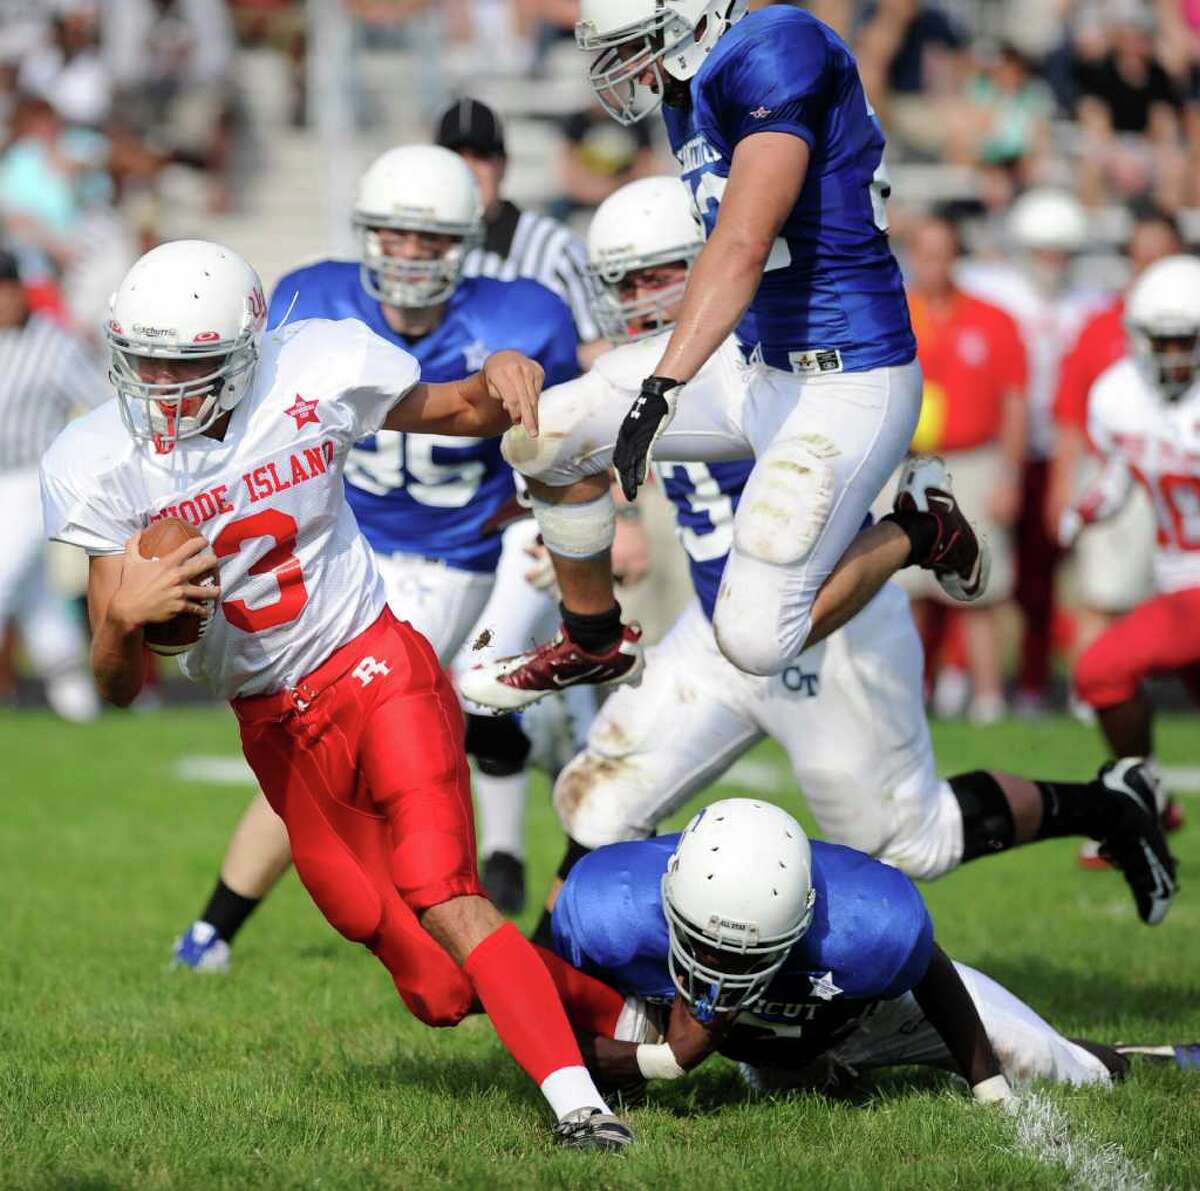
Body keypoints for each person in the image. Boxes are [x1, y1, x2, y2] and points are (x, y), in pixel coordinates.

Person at [39, 238, 634, 1151]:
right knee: (436, 989)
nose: (159, 382)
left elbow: (458, 407)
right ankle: (640, 1026)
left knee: (443, 892)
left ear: (240, 354)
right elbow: (117, 688)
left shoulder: (315, 365)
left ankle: (583, 1109)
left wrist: (508, 373)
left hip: (373, 665)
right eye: (143, 356)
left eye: (186, 363)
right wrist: (123, 622)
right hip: (272, 721)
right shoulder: (99, 459)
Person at [525, 178, 1176, 937]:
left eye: (657, 275)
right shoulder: (655, 363)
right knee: (598, 801)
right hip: (713, 628)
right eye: (623, 283)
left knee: (909, 839)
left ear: (708, 262)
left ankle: (1110, 806)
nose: (638, 298)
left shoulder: (768, 352)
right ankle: (554, 995)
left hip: (825, 626)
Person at [460, 2, 988, 713]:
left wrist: (661, 386)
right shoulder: (694, 88)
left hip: (848, 377)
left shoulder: (776, 49)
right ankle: (594, 639)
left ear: (692, 19)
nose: (624, 69)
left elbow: (742, 242)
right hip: (754, 362)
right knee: (543, 435)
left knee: (755, 640)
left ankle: (924, 524)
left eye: (637, 45)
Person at [169, 145, 581, 966]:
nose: (408, 253)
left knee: (344, 737)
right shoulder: (312, 300)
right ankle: (216, 929)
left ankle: (218, 930)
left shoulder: (524, 314)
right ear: (365, 233)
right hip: (348, 548)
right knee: (316, 735)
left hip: (467, 554)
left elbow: (566, 442)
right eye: (392, 234)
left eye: (429, 239)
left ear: (465, 240)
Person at [552, 799, 1169, 1100]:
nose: (722, 970)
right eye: (707, 947)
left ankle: (1140, 1055)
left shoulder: (867, 923)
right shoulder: (606, 909)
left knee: (1048, 1066)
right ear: (667, 897)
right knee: (612, 1033)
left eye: (748, 954)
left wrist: (991, 1089)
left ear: (804, 918)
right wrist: (663, 1058)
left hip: (860, 1020)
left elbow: (927, 965)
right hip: (737, 1037)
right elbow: (554, 1032)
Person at [959, 188, 1105, 715]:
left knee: (1043, 575)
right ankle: (962, 675)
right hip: (998, 445)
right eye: (1043, 250)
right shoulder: (990, 289)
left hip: (1060, 448)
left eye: (1061, 251)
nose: (1053, 262)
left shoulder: (1089, 302)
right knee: (977, 565)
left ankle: (1035, 680)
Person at [1064, 255, 1200, 802]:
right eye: (1160, 341)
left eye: (1183, 340)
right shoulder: (1121, 395)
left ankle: (1142, 798)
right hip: (1174, 577)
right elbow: (1119, 475)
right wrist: (1082, 512)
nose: (1171, 356)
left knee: (1100, 671)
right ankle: (1150, 803)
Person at [894, 213, 1027, 724]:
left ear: (956, 256)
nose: (932, 263)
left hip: (973, 459)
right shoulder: (894, 312)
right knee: (904, 589)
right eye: (923, 252)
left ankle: (989, 696)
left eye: (941, 252)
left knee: (980, 586)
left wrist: (1009, 476)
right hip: (905, 462)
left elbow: (1014, 401)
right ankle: (908, 693)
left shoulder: (994, 319)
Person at [0, 246, 104, 722]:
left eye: (9, 289)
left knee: (2, 577)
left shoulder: (53, 343)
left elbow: (98, 402)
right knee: (34, 596)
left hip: (30, 478)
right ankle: (76, 700)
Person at [435, 97, 604, 362]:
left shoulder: (556, 250)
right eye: (455, 156)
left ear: (503, 165)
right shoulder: (416, 248)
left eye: (481, 156)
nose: (468, 169)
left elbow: (599, 351)